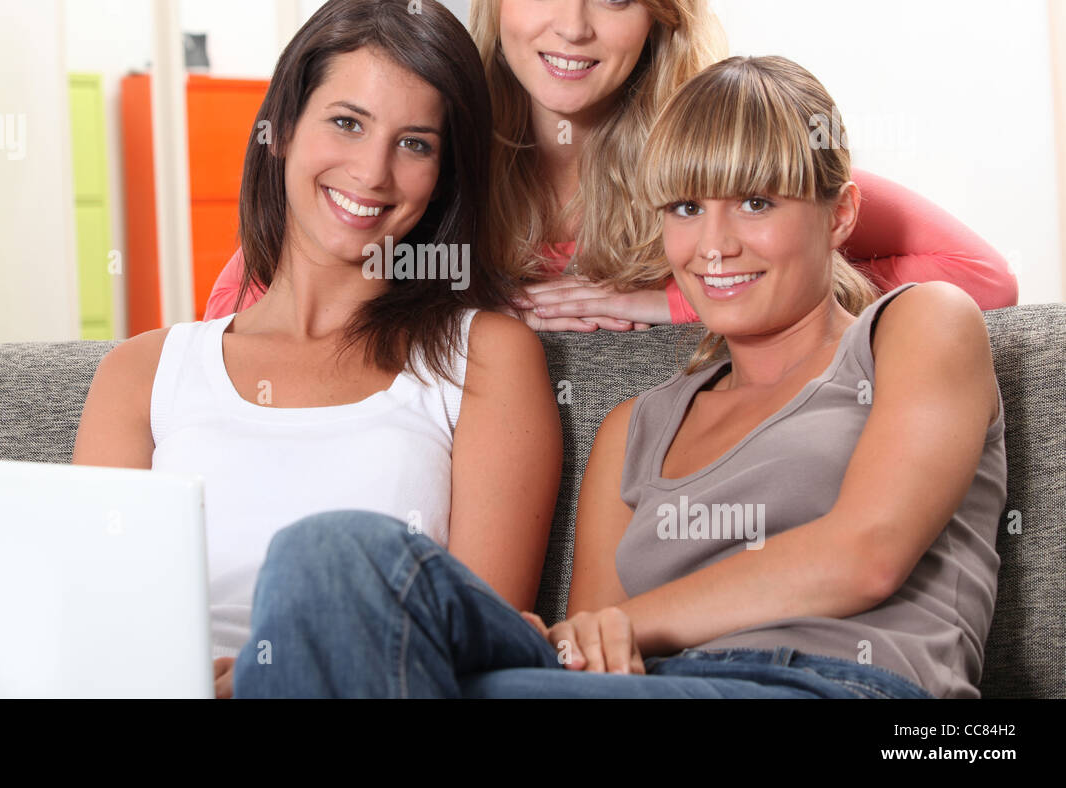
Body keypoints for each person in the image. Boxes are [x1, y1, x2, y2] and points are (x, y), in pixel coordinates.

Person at [0, 0, 562, 700]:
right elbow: (90, 624)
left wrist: (266, 674)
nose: (372, 171)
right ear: (281, 132)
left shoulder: (485, 356)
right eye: (346, 122)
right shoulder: (144, 373)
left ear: (444, 175)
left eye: (414, 143)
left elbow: (478, 640)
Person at [229, 55, 1006, 699]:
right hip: (656, 687)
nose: (714, 245)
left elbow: (863, 553)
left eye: (757, 202)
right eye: (685, 206)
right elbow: (590, 651)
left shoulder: (918, 327)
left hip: (843, 687)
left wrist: (633, 626)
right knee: (327, 555)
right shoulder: (634, 429)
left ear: (839, 216)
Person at [202, 0, 1017, 331]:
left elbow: (978, 274)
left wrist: (683, 296)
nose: (573, 28)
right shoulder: (434, 144)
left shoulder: (709, 157)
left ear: (658, 17)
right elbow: (246, 296)